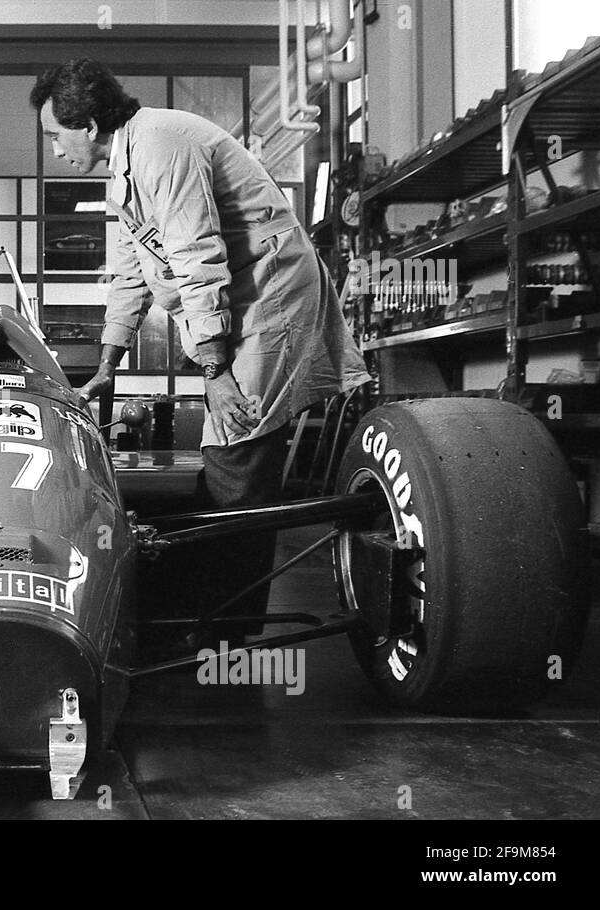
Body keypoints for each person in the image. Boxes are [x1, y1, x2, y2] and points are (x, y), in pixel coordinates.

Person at [31, 59, 371, 640]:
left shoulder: (163, 145)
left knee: (236, 455)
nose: (53, 148)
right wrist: (107, 365)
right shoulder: (126, 167)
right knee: (228, 456)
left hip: (270, 298)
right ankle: (214, 611)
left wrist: (213, 365)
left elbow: (196, 254)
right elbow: (131, 273)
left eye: (53, 134)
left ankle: (230, 628)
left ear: (86, 125)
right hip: (242, 301)